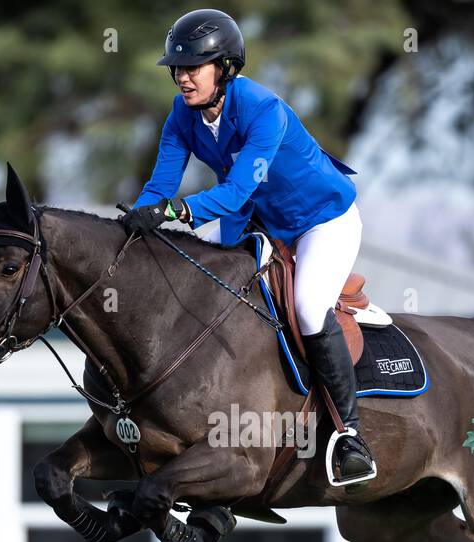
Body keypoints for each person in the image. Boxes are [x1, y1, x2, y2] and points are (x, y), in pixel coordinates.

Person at [122, 8, 375, 486]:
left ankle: (350, 436)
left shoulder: (264, 109)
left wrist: (175, 213)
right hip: (257, 219)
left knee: (306, 306)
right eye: (177, 68)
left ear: (225, 68)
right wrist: (135, 226)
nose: (182, 78)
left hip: (321, 221)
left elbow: (235, 191)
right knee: (180, 254)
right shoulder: (182, 115)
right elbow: (160, 186)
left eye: (192, 67)